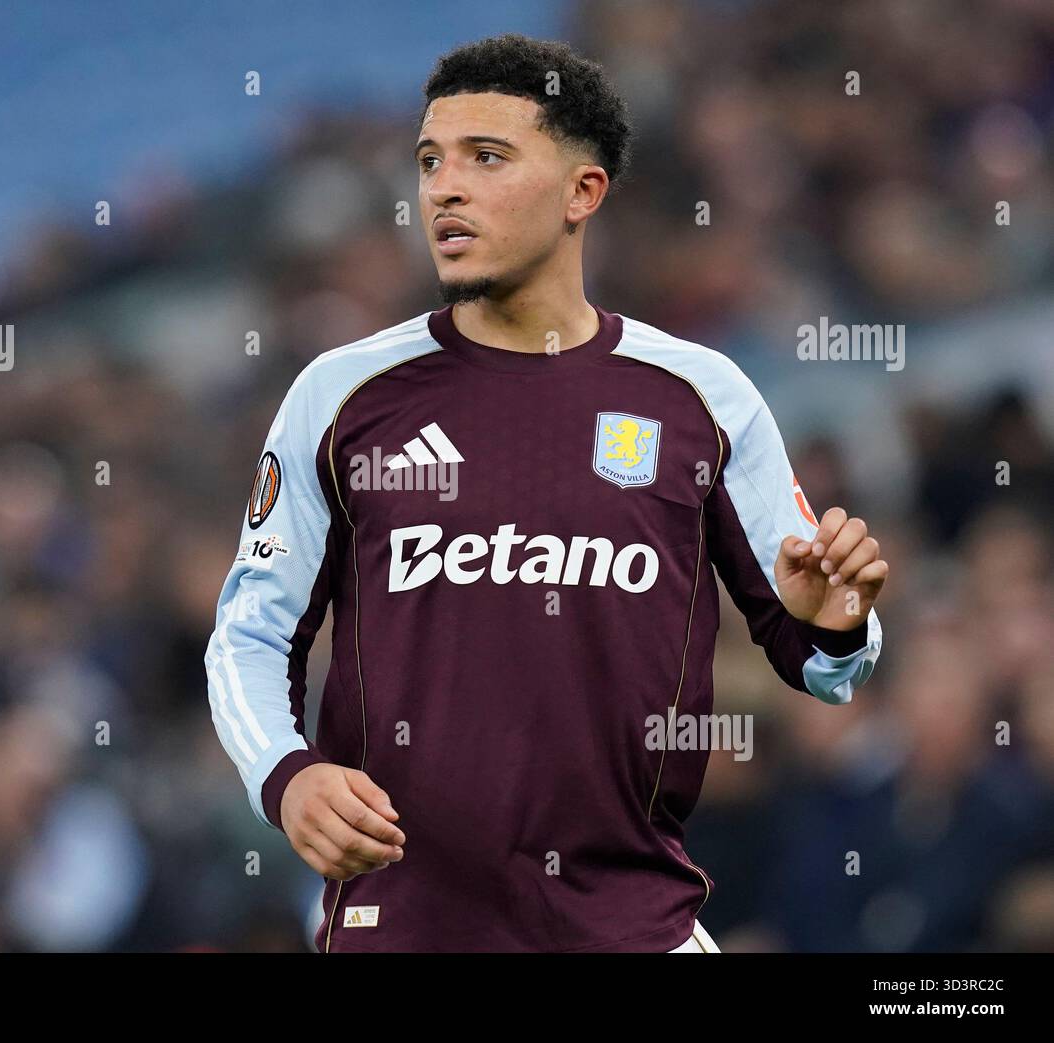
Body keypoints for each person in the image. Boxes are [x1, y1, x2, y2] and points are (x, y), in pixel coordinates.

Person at [204, 33, 888, 953]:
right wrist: (286, 774)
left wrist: (836, 618)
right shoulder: (340, 396)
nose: (444, 187)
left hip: (636, 928)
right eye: (429, 161)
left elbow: (829, 666)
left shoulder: (700, 396)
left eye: (487, 158)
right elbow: (249, 633)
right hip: (408, 929)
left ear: (582, 192)